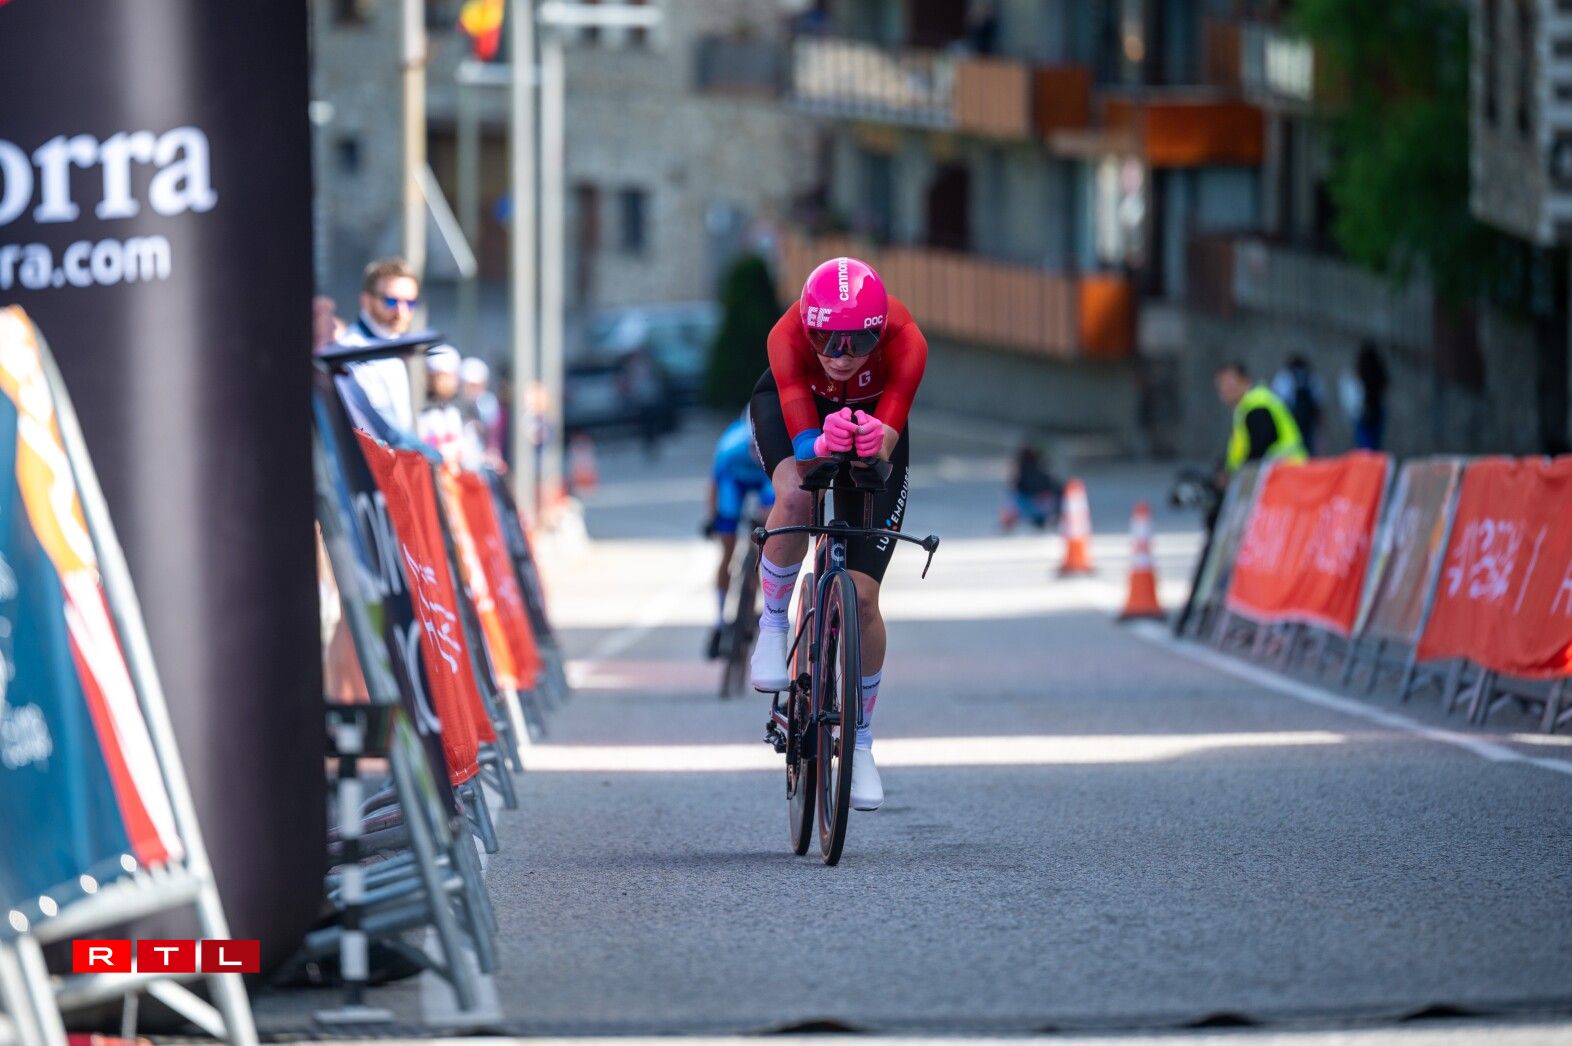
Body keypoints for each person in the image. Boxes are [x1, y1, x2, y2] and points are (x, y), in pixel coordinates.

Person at [748, 256, 927, 812]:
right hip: (796, 413)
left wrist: (877, 443)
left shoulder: (908, 341)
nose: (841, 355)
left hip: (871, 422)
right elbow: (805, 452)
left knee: (866, 597)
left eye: (857, 342)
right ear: (808, 327)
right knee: (798, 493)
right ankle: (774, 626)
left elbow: (888, 449)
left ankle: (863, 742)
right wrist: (819, 447)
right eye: (827, 339)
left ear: (879, 333)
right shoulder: (787, 335)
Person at [703, 411, 777, 660]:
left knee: (763, 539)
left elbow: (780, 492)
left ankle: (752, 606)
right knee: (727, 548)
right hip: (733, 482)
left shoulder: (773, 442)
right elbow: (714, 484)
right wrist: (712, 519)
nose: (756, 451)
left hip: (765, 479)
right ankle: (720, 620)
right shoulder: (730, 446)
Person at [343, 257, 422, 432]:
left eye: (410, 303)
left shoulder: (392, 343)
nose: (401, 312)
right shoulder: (352, 349)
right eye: (391, 301)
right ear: (365, 300)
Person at [1214, 361, 1307, 482]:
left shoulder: (1256, 403)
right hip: (1282, 475)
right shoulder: (1244, 408)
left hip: (1286, 475)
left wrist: (1237, 475)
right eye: (1221, 384)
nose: (1225, 389)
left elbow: (1260, 445)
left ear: (1245, 381)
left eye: (1230, 383)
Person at [1270, 354, 1325, 455]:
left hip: (1306, 419)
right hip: (1294, 417)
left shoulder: (1309, 376)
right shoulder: (1289, 376)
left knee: (1306, 444)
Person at [1002, 441, 1061, 533]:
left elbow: (1015, 487)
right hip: (1039, 504)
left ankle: (1008, 524)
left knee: (1011, 498)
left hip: (1031, 504)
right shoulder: (1041, 471)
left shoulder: (1023, 473)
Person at [462, 356, 506, 468]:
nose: (473, 390)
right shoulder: (455, 406)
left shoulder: (487, 403)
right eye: (470, 385)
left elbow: (493, 435)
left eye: (477, 385)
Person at [1353, 342, 1389, 451]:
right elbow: (1386, 384)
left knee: (1363, 444)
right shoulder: (1378, 371)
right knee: (1375, 443)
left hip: (1364, 410)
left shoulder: (1361, 371)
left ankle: (1367, 464)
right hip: (1376, 409)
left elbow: (1354, 389)